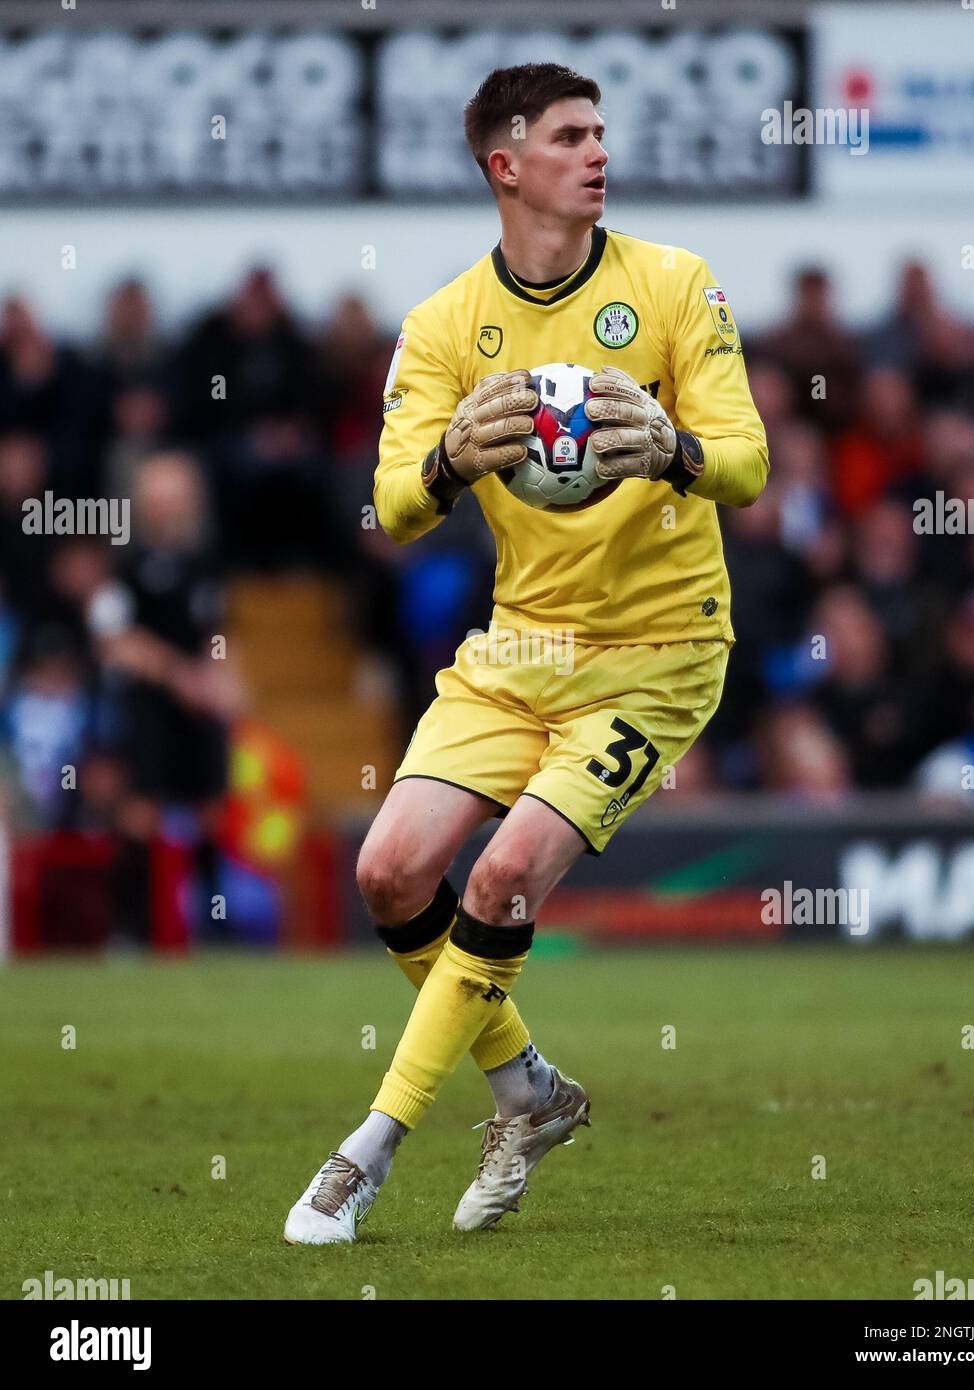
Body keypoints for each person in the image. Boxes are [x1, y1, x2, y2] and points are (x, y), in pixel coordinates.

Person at [284, 62, 769, 1245]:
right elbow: (394, 506)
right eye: (569, 135)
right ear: (505, 166)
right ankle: (528, 1091)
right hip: (518, 649)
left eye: (601, 131)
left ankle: (368, 1148)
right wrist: (449, 458)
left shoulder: (671, 285)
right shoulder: (446, 325)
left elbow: (748, 463)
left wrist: (674, 452)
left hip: (658, 651)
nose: (598, 152)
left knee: (502, 877)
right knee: (389, 873)